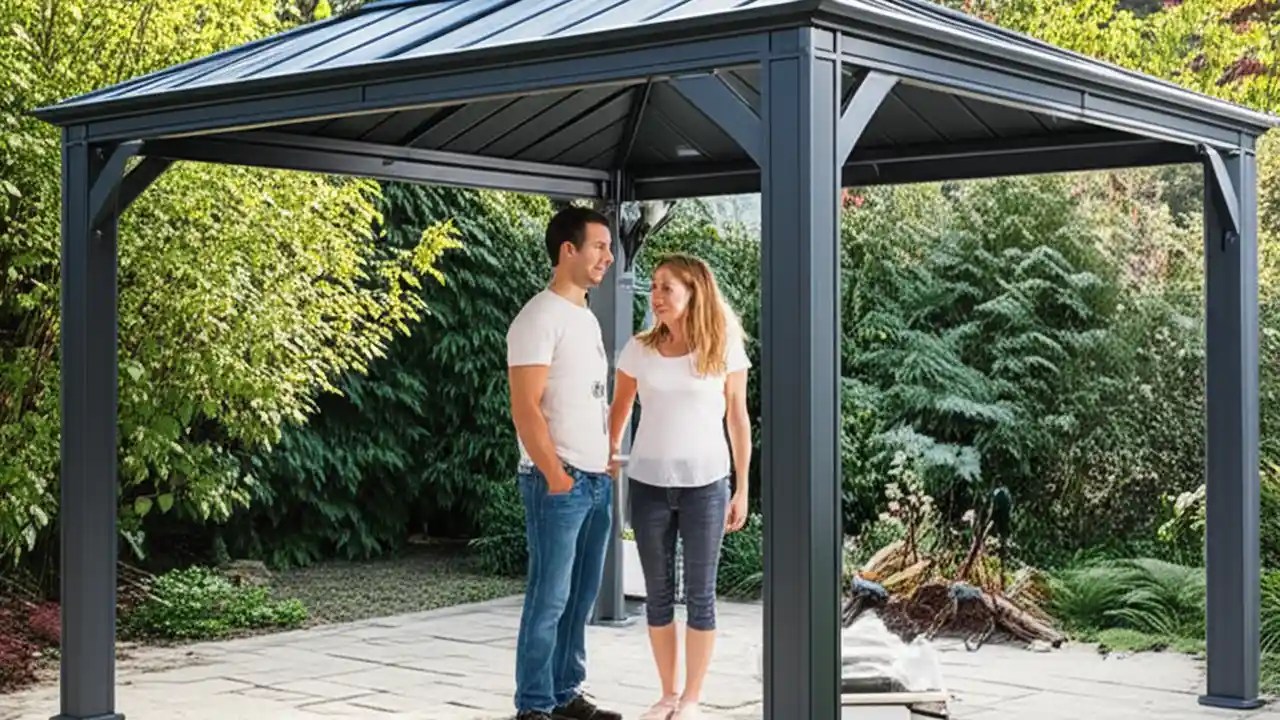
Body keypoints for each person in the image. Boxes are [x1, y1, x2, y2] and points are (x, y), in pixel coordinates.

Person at [607, 253, 753, 720]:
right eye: (653, 287)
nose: (656, 296)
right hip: (648, 485)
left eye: (667, 287)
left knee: (701, 595)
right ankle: (667, 694)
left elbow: (738, 418)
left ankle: (691, 698)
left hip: (706, 486)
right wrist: (608, 451)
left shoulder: (724, 346)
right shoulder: (639, 349)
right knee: (657, 593)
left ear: (694, 291)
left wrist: (743, 487)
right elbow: (620, 409)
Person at [506, 206, 623, 720]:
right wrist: (556, 475)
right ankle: (533, 705)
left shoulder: (585, 317)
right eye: (599, 246)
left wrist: (605, 457)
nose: (608, 257)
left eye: (609, 248)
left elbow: (588, 398)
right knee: (549, 597)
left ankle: (565, 693)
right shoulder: (538, 318)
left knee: (579, 598)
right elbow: (525, 408)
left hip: (595, 480)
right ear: (567, 251)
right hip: (557, 482)